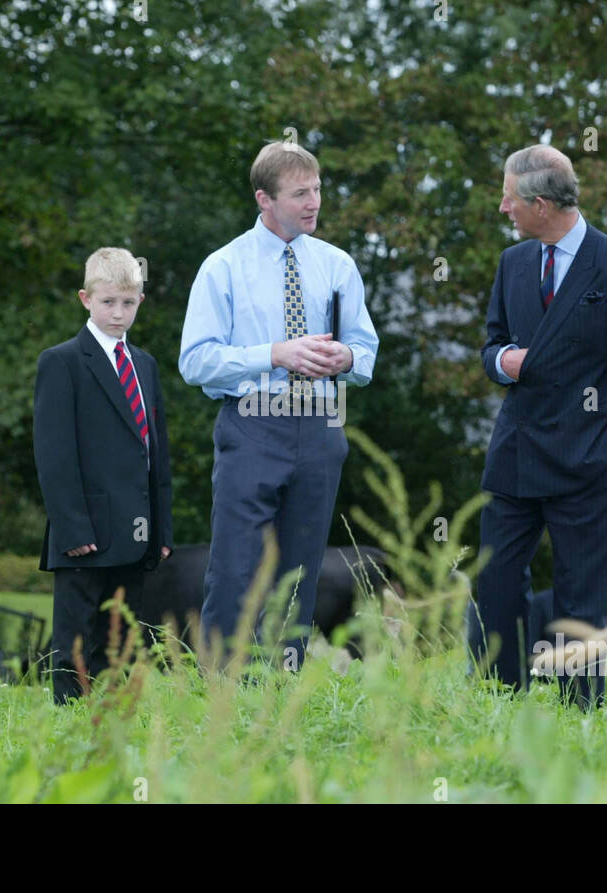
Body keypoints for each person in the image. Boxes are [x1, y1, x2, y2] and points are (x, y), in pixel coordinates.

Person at [179, 141, 379, 670]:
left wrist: (343, 357)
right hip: (252, 425)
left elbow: (367, 351)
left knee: (302, 567)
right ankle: (224, 683)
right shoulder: (222, 267)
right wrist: (274, 354)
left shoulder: (337, 264)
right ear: (264, 199)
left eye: (316, 190)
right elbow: (196, 361)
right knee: (237, 563)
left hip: (320, 427)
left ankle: (283, 682)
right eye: (299, 194)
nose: (313, 202)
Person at [469, 145, 607, 709]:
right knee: (493, 586)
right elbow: (492, 344)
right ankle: (502, 701)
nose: (503, 208)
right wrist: (502, 363)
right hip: (516, 455)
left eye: (509, 197)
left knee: (580, 601)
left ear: (541, 204)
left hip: (589, 463)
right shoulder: (513, 263)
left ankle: (578, 717)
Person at [33, 247, 174, 704]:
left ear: (140, 302)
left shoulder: (146, 366)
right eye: (109, 301)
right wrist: (72, 527)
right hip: (85, 531)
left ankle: (114, 722)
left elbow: (155, 454)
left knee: (120, 639)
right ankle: (68, 721)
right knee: (75, 640)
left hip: (135, 532)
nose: (119, 313)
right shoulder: (62, 362)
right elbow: (54, 454)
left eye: (128, 303)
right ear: (85, 298)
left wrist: (161, 528)